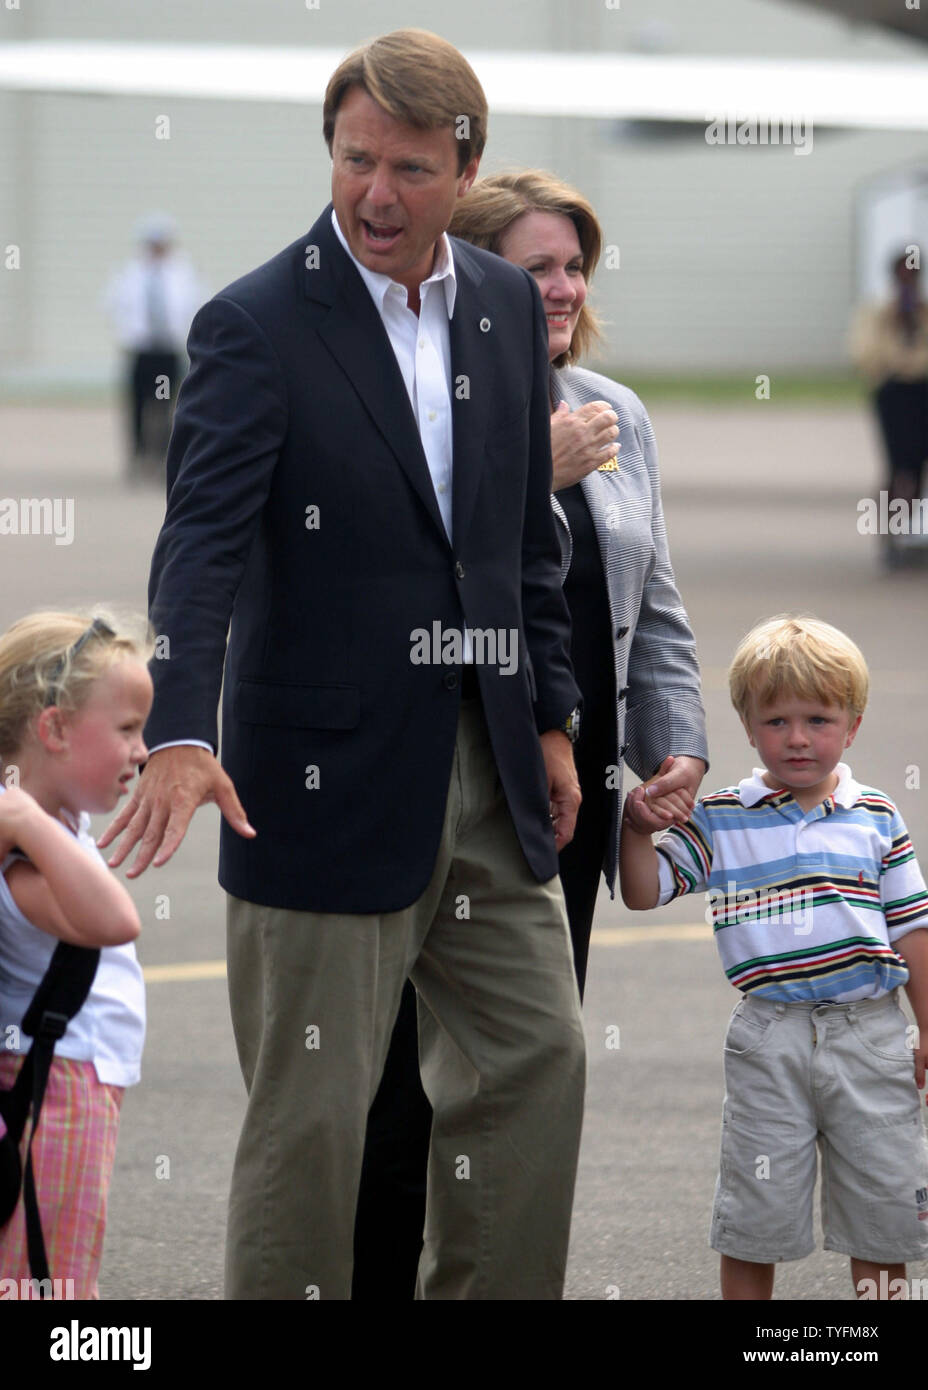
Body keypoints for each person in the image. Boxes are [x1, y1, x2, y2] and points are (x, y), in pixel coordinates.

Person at [100, 29, 587, 1302]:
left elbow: (520, 539)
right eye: (355, 159)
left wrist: (551, 722)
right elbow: (196, 550)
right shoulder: (254, 324)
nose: (376, 193)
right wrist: (178, 730)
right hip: (311, 783)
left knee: (538, 1064)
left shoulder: (496, 304)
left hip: (489, 768)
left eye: (410, 169)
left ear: (463, 164)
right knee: (312, 1128)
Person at [353, 169, 709, 1298]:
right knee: (408, 1071)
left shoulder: (616, 408)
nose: (558, 287)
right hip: (453, 762)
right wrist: (527, 478)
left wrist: (674, 739)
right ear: (471, 269)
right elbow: (395, 577)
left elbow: (652, 601)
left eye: (571, 267)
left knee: (526, 1062)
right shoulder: (423, 392)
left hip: (572, 773)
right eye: (533, 266)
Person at [620, 614, 928, 1300]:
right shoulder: (722, 817)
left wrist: (926, 1025)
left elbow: (913, 929)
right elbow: (645, 893)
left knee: (884, 1213)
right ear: (748, 725)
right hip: (770, 1036)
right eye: (776, 720)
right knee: (755, 1214)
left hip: (872, 1034)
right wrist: (637, 829)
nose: (797, 738)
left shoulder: (876, 818)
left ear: (852, 726)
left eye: (818, 719)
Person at [0, 611, 150, 1298]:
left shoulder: (51, 825)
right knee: (47, 1284)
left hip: (68, 1083)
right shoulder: (26, 852)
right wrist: (24, 816)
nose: (141, 751)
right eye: (125, 730)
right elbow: (115, 920)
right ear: (54, 730)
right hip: (51, 1095)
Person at [103, 215, 206, 480]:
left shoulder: (182, 273)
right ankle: (138, 455)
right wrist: (129, 328)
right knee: (138, 405)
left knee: (167, 405)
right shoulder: (130, 273)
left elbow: (196, 305)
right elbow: (111, 304)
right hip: (141, 350)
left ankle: (162, 458)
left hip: (168, 351)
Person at [850, 249, 928, 563]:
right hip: (895, 395)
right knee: (899, 469)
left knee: (919, 468)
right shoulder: (878, 313)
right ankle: (891, 540)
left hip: (923, 392)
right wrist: (891, 322)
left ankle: (911, 535)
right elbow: (865, 354)